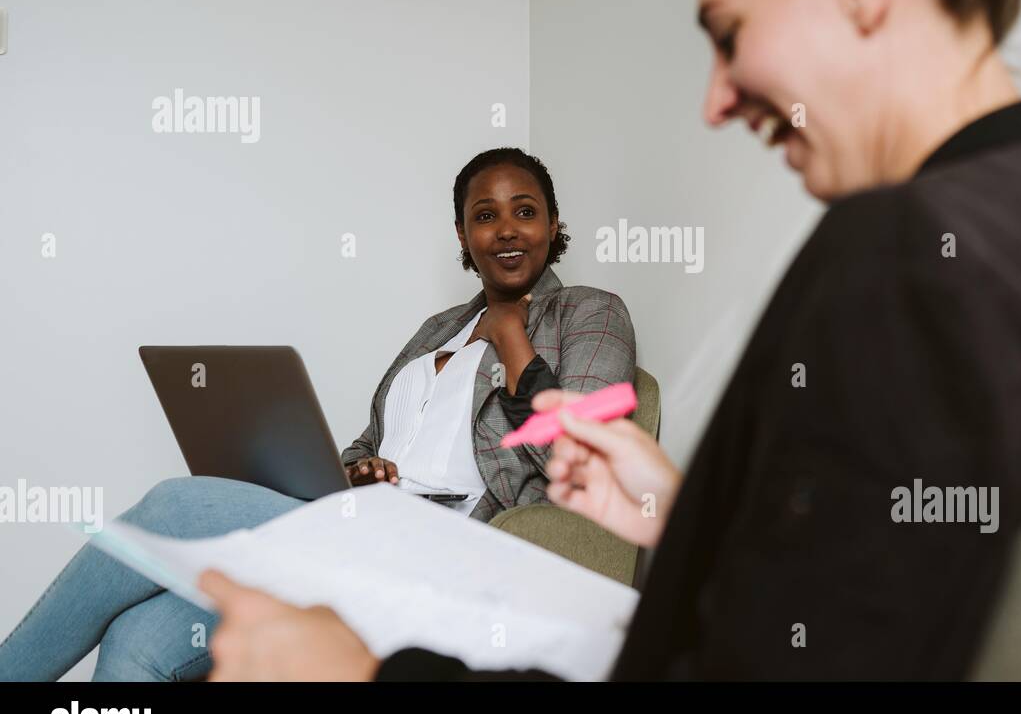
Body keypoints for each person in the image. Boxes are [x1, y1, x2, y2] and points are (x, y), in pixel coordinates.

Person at [204, 0, 1021, 680]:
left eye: (729, 34)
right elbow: (886, 589)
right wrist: (688, 515)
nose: (716, 98)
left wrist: (370, 677)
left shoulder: (901, 255)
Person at [0, 147, 636, 681]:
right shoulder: (438, 329)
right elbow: (368, 443)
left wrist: (511, 338)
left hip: (443, 548)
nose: (505, 229)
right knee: (139, 635)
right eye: (485, 215)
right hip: (360, 525)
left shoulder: (589, 312)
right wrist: (362, 472)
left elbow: (579, 457)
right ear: (463, 236)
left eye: (525, 212)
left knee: (173, 503)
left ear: (554, 224)